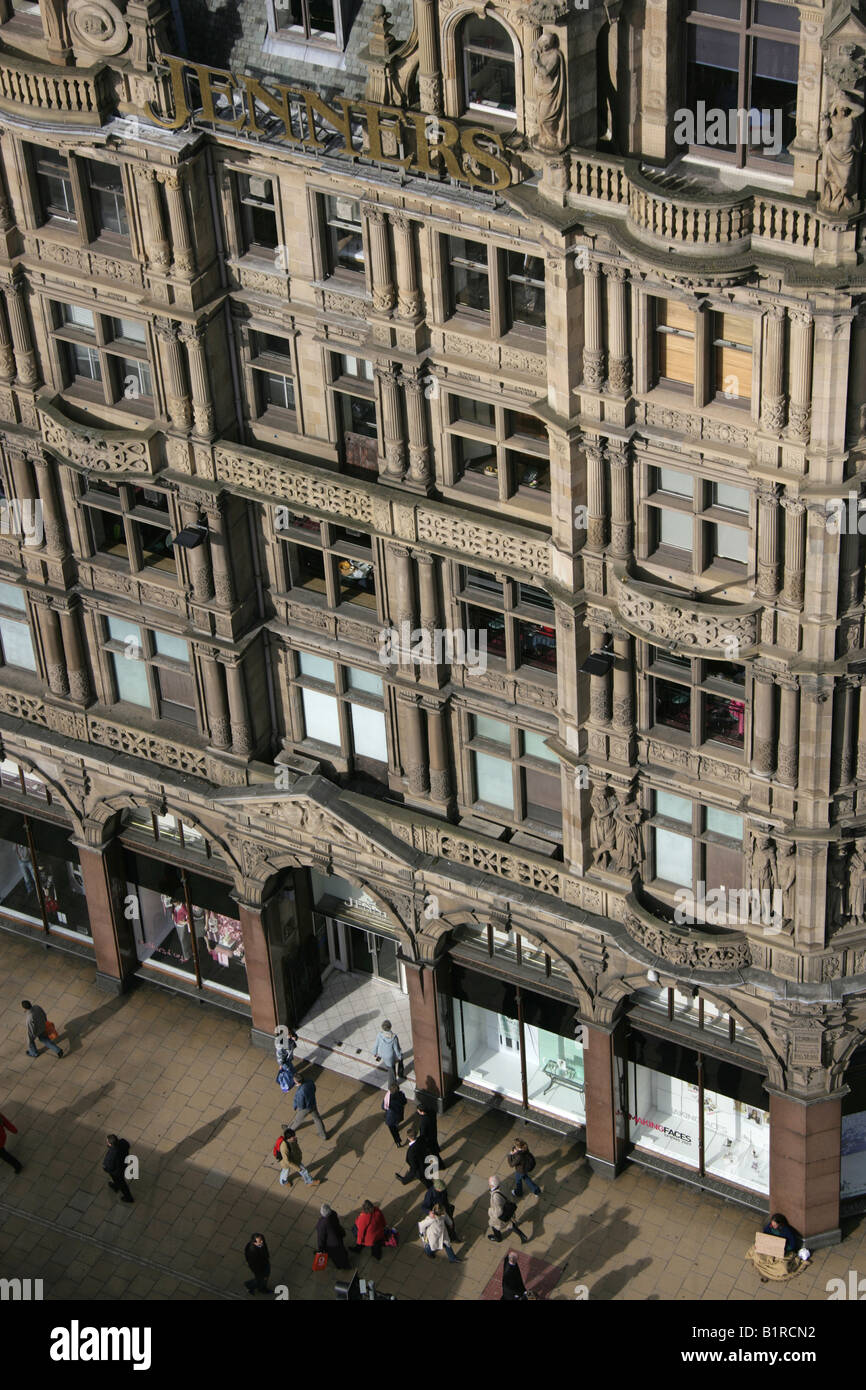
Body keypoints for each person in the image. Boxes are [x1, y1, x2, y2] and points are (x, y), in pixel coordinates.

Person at [487, 1175, 528, 1245]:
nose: (489, 1185)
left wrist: (491, 1213)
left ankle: (498, 1238)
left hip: (502, 1213)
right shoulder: (503, 1185)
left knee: (493, 1225)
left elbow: (498, 1212)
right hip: (509, 1208)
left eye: (489, 1184)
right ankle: (522, 1236)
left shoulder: (495, 1196)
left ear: (492, 1185)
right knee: (510, 1223)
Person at [292, 1067, 327, 1139]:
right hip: (312, 1103)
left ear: (297, 1082)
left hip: (305, 1108)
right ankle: (323, 1135)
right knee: (317, 1118)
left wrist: (298, 1108)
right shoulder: (309, 1081)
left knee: (297, 1120)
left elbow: (301, 1104)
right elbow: (314, 1089)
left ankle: (289, 1130)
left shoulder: (300, 1092)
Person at [316, 1204, 351, 1270]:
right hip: (338, 1237)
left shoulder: (322, 1224)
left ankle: (342, 1266)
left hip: (331, 1244)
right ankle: (345, 1263)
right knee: (341, 1251)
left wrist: (320, 1249)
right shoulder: (333, 1214)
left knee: (336, 1256)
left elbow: (321, 1238)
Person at [103, 1134, 134, 1203]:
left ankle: (128, 1198)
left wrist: (105, 1168)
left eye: (107, 1142)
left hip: (117, 1172)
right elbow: (127, 1145)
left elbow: (109, 1166)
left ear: (110, 1144)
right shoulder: (123, 1142)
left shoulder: (112, 1153)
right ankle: (116, 1185)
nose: (106, 1142)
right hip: (123, 1165)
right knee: (119, 1181)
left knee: (122, 1183)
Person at [373, 1020, 403, 1085]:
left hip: (381, 1053)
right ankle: (392, 1085)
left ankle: (393, 1080)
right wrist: (399, 1056)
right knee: (391, 1071)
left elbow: (376, 1045)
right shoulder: (394, 1037)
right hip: (389, 1056)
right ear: (390, 1027)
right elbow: (396, 1049)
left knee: (391, 1068)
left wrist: (374, 1052)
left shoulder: (379, 1035)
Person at [382, 1082, 406, 1147]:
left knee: (393, 1131)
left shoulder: (388, 1097)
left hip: (390, 1117)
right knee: (396, 1124)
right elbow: (405, 1102)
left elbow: (383, 1106)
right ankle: (397, 1126)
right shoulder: (401, 1094)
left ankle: (398, 1142)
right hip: (398, 1114)